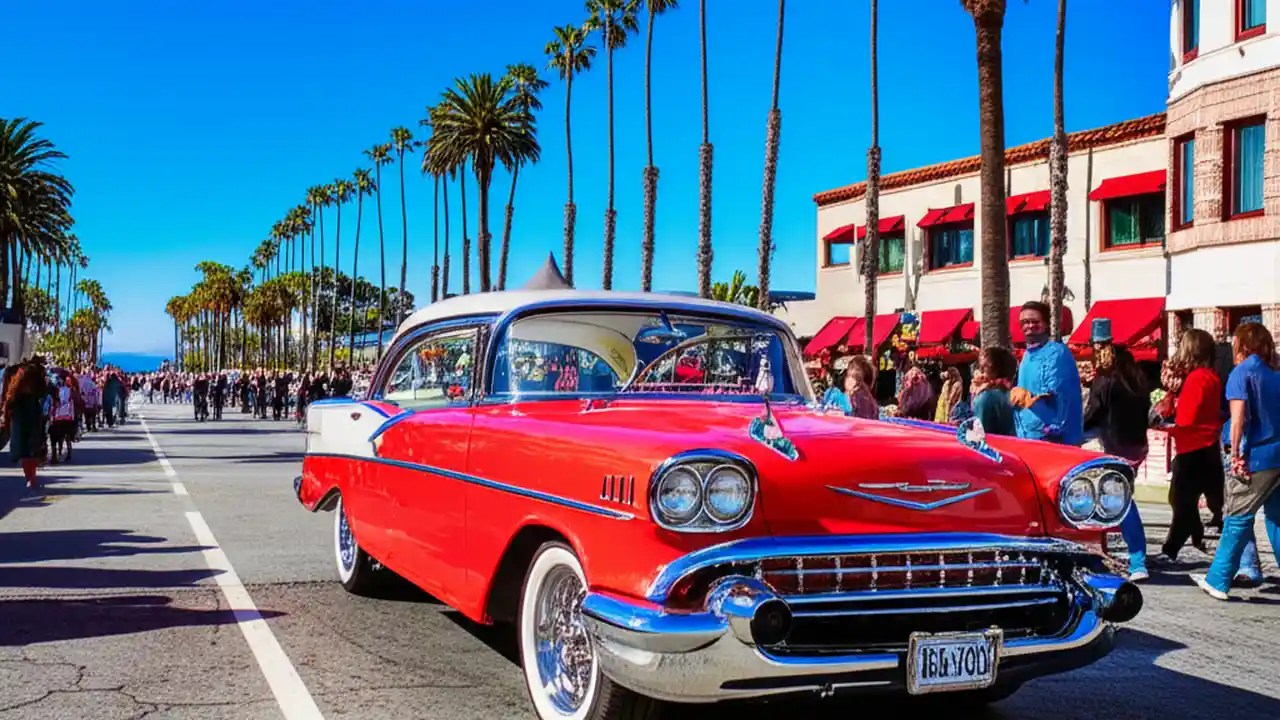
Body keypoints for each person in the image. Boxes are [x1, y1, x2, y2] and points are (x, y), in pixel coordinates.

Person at [1193, 323, 1280, 600]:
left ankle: (1218, 579)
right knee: (1277, 520)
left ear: (1240, 345)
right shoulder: (1275, 372)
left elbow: (1238, 418)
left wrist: (1235, 455)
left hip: (1257, 456)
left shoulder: (1241, 373)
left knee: (1237, 518)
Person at [1081, 319, 1152, 580]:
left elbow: (1092, 416)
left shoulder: (1105, 380)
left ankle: (1138, 560)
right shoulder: (1137, 377)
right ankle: (1129, 556)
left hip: (1114, 446)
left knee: (1119, 501)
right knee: (1119, 497)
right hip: (1137, 445)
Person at [1158, 328, 1224, 561]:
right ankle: (1195, 536)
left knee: (1181, 501)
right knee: (1185, 499)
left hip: (1192, 448)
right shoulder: (1211, 377)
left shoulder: (1196, 379)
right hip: (1208, 445)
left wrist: (1164, 426)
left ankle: (1172, 548)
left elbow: (1187, 420)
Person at [1011, 301, 1083, 445]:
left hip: (1051, 439)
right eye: (1025, 322)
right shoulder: (1027, 356)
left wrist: (1055, 430)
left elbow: (1062, 398)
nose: (1030, 326)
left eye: (1035, 321)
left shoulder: (1057, 353)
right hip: (1027, 437)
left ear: (1046, 324)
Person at [3, 364, 47, 489]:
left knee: (29, 451)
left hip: (28, 417)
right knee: (25, 451)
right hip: (23, 418)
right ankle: (30, 477)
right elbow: (9, 401)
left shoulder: (33, 388)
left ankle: (31, 478)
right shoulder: (19, 389)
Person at [970, 346, 1017, 436]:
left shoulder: (987, 397)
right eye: (980, 366)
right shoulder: (1012, 393)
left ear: (997, 369)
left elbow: (980, 435)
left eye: (985, 367)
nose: (981, 371)